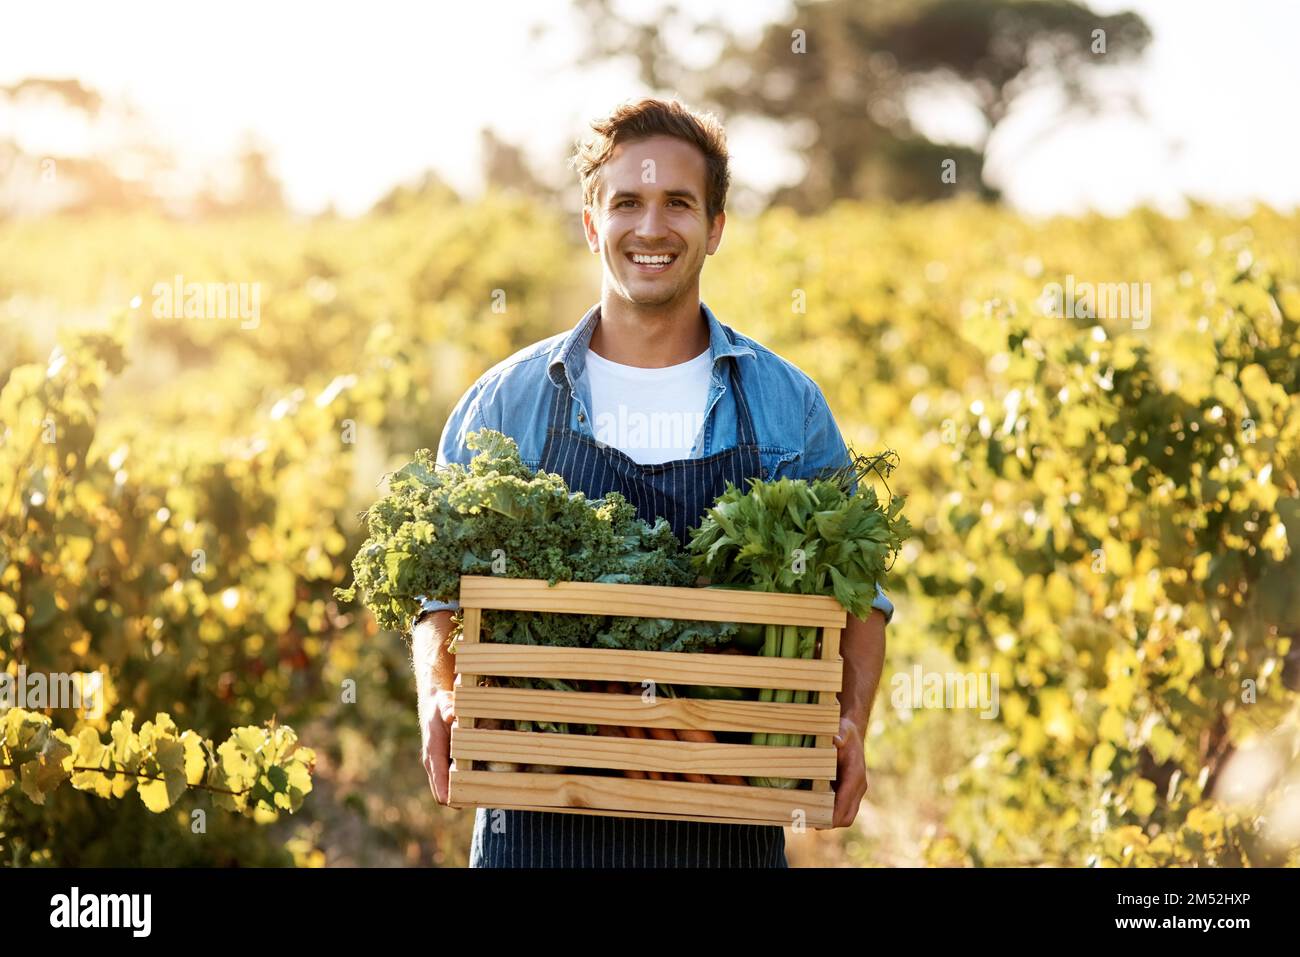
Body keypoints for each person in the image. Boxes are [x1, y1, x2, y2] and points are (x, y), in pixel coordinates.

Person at [412, 97, 893, 867]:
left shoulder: (782, 403)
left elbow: (860, 593)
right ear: (591, 222)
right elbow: (438, 589)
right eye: (627, 202)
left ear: (716, 225)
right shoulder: (510, 402)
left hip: (729, 819)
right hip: (537, 827)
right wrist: (438, 689)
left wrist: (848, 719)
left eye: (678, 202)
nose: (650, 228)